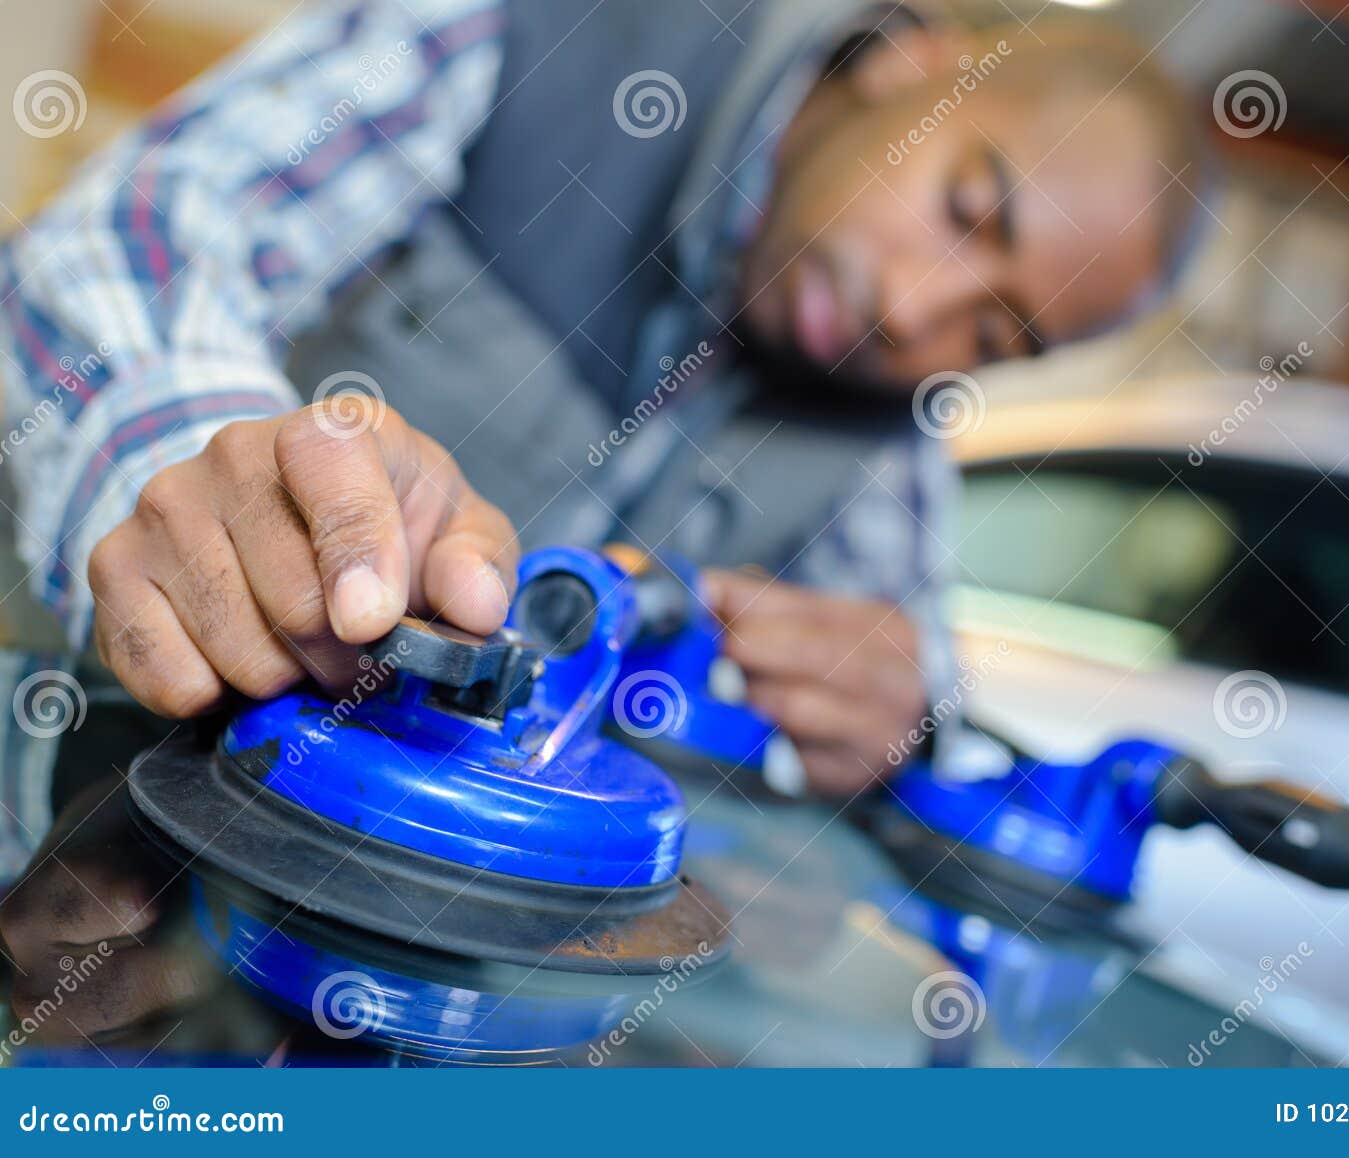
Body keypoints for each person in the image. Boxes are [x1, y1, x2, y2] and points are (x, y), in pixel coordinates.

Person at [0, 0, 1203, 819]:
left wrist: (900, 715)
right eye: (967, 208)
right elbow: (133, 238)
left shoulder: (884, 425)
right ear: (912, 57)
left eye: (995, 333)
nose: (916, 312)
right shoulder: (548, 29)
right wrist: (189, 467)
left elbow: (912, 662)